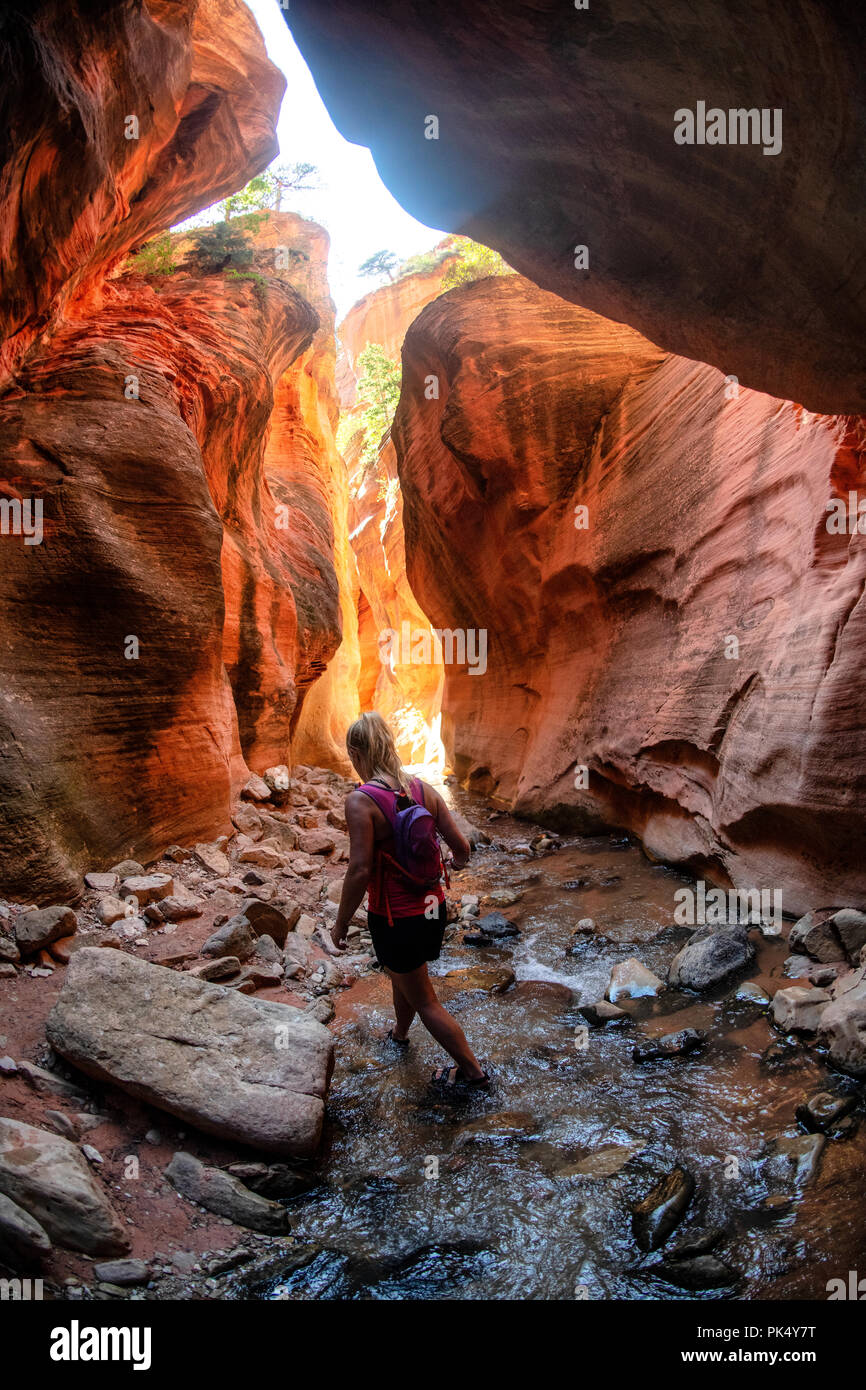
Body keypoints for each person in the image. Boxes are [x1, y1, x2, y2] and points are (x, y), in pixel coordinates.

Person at [329, 711, 490, 1088]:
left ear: (357, 752)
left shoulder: (362, 801)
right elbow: (462, 849)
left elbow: (359, 871)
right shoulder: (423, 789)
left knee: (426, 999)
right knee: (408, 975)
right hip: (433, 911)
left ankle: (473, 1073)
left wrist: (339, 924)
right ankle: (401, 1033)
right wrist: (454, 862)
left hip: (394, 918)